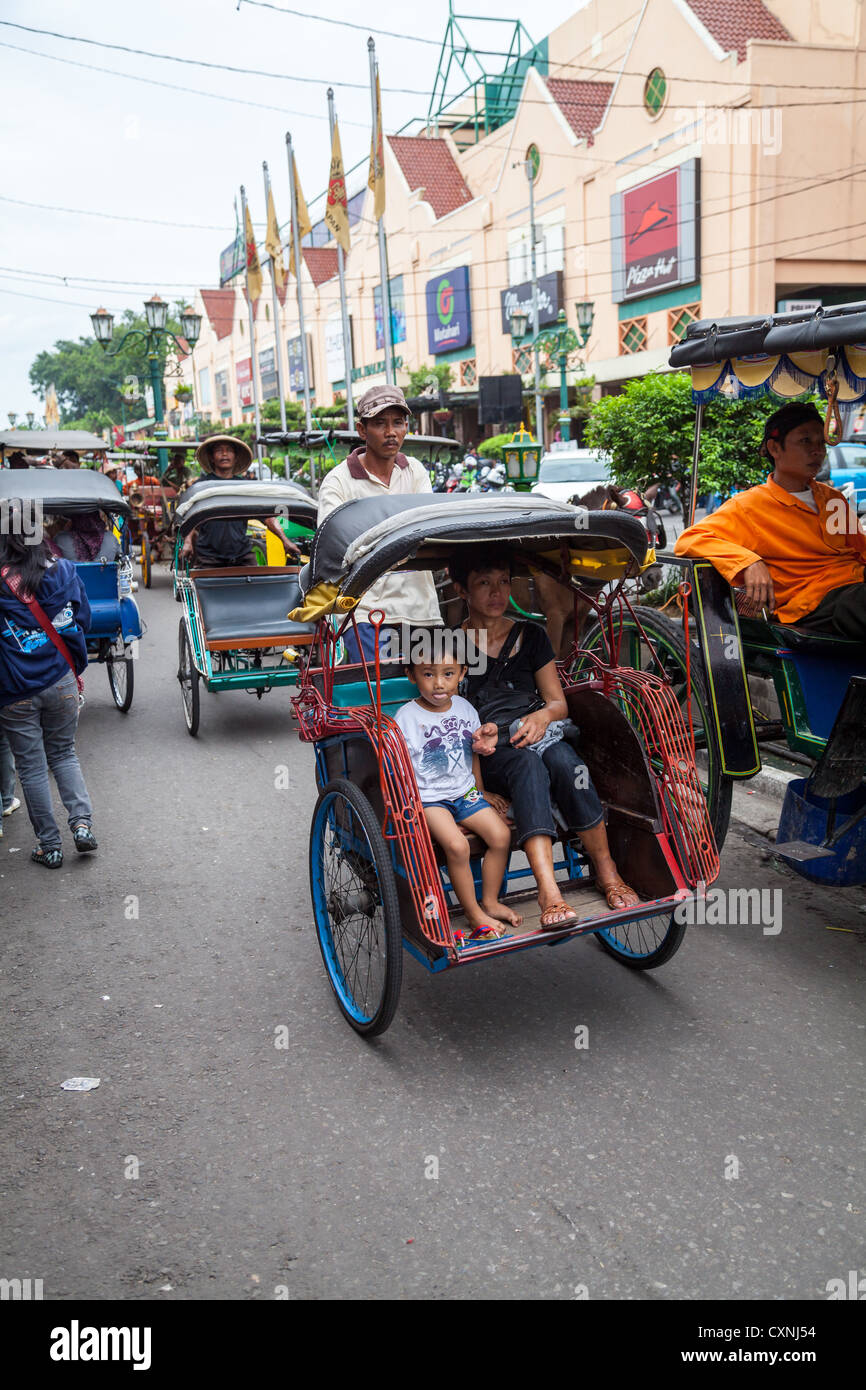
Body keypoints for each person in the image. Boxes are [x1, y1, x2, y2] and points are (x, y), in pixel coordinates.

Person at [449, 548, 639, 927]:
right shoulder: (448, 645)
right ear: (462, 590)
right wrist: (476, 781)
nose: (497, 593)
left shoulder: (531, 635)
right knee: (528, 766)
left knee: (570, 766)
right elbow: (447, 719)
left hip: (540, 733)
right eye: (484, 584)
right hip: (490, 751)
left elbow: (558, 703)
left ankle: (607, 870)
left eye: (504, 582)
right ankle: (548, 890)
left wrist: (539, 716)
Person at [675, 402, 866, 638]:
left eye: (821, 442)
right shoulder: (749, 506)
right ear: (775, 448)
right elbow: (689, 540)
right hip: (814, 600)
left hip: (856, 582)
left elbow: (860, 549)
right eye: (805, 441)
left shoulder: (834, 500)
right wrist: (748, 561)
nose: (817, 450)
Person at [394, 634, 520, 940]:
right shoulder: (407, 718)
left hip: (465, 793)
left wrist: (481, 791)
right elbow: (401, 769)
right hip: (429, 800)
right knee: (457, 846)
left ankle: (489, 900)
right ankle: (473, 912)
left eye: (448, 674)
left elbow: (472, 754)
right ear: (411, 675)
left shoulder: (465, 709)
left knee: (501, 835)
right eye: (428, 674)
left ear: (462, 674)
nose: (439, 684)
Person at [0, 499, 97, 867]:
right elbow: (82, 619)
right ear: (39, 533)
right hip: (61, 681)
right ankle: (82, 825)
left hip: (15, 690)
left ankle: (50, 846)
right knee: (64, 753)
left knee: (32, 768)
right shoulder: (65, 569)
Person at [316, 385, 441, 663]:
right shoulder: (339, 482)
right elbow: (334, 548)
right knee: (374, 695)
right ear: (362, 430)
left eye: (397, 423)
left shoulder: (415, 472)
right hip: (364, 610)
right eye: (380, 424)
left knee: (436, 693)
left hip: (420, 608)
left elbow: (429, 529)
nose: (390, 432)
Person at [181, 435, 298, 568]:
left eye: (229, 450)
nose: (224, 454)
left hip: (242, 554)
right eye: (219, 450)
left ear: (235, 457)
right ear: (212, 458)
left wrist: (285, 541)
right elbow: (190, 517)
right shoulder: (202, 486)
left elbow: (267, 517)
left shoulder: (244, 487)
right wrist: (188, 541)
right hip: (209, 556)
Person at [51, 512, 120, 563]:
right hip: (105, 580)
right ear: (97, 518)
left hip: (72, 581)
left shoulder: (61, 538)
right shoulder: (111, 537)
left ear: (75, 519)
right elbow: (119, 558)